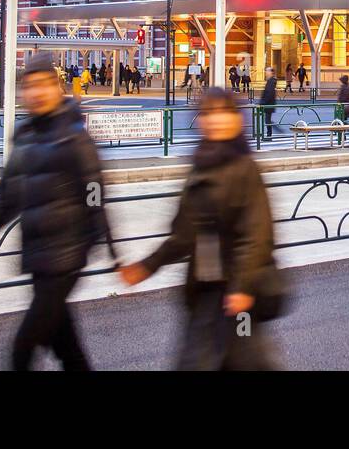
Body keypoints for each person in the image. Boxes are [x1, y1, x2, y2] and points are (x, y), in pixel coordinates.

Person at [0, 53, 115, 370]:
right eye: (29, 86)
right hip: (35, 255)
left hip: (66, 259)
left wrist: (111, 251)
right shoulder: (24, 136)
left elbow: (95, 195)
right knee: (65, 346)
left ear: (58, 88)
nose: (37, 92)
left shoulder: (75, 137)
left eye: (44, 84)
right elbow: (4, 199)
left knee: (24, 347)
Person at [120, 88, 281, 370]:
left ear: (238, 119)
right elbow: (185, 233)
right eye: (208, 113)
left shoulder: (245, 168)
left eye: (224, 112)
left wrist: (242, 287)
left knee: (246, 361)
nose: (215, 120)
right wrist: (147, 266)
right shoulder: (199, 165)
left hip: (237, 291)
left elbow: (258, 235)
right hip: (205, 290)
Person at [259, 67, 278, 142]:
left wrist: (263, 102)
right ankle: (269, 134)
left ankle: (269, 135)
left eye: (267, 71)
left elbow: (269, 93)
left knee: (267, 120)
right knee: (268, 120)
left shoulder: (271, 81)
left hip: (268, 104)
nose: (266, 72)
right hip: (269, 103)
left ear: (271, 72)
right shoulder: (270, 81)